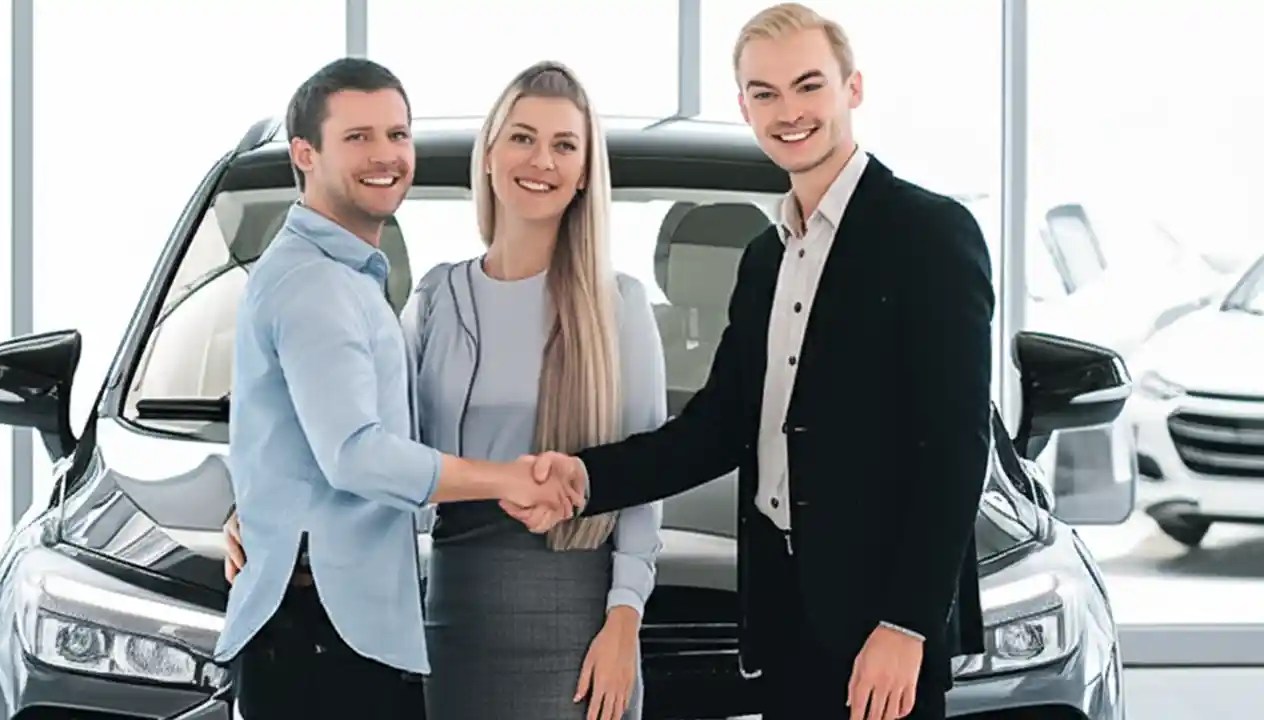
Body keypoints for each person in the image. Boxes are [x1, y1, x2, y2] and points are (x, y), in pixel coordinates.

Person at [513, 4, 995, 720]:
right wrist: (586, 477)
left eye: (808, 86)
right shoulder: (766, 258)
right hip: (783, 618)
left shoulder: (928, 234)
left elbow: (955, 448)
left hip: (879, 630)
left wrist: (907, 623)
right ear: (744, 104)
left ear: (852, 89)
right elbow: (719, 427)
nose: (788, 112)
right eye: (764, 93)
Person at [223, 60, 665, 720]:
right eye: (521, 137)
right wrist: (263, 504)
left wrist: (626, 618)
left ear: (583, 172)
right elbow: (372, 439)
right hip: (446, 613)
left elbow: (647, 472)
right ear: (487, 155)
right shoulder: (434, 297)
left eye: (564, 145)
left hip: (575, 615)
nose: (540, 160)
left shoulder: (618, 306)